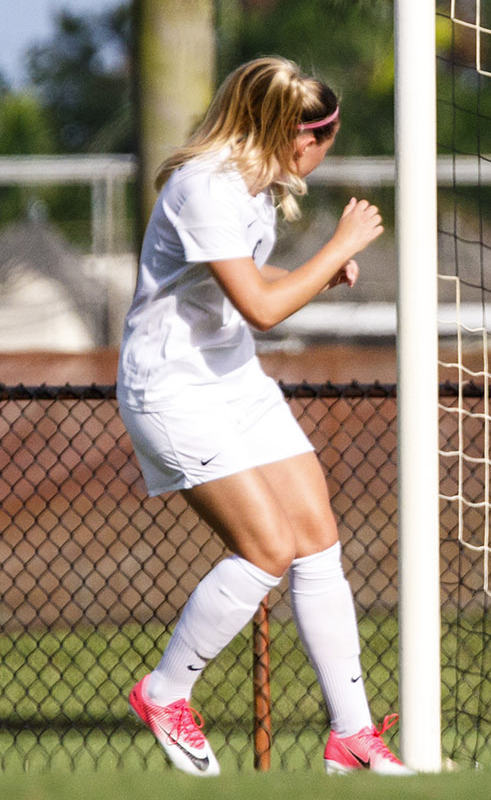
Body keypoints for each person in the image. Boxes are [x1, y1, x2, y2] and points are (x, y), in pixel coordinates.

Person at [116, 57, 409, 776]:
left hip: (232, 377)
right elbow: (263, 309)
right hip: (173, 390)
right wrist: (336, 248)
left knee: (316, 541)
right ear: (294, 138)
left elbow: (245, 283)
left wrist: (315, 273)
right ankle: (165, 692)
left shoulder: (254, 183)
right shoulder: (205, 186)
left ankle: (351, 738)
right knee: (267, 549)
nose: (319, 157)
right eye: (321, 143)